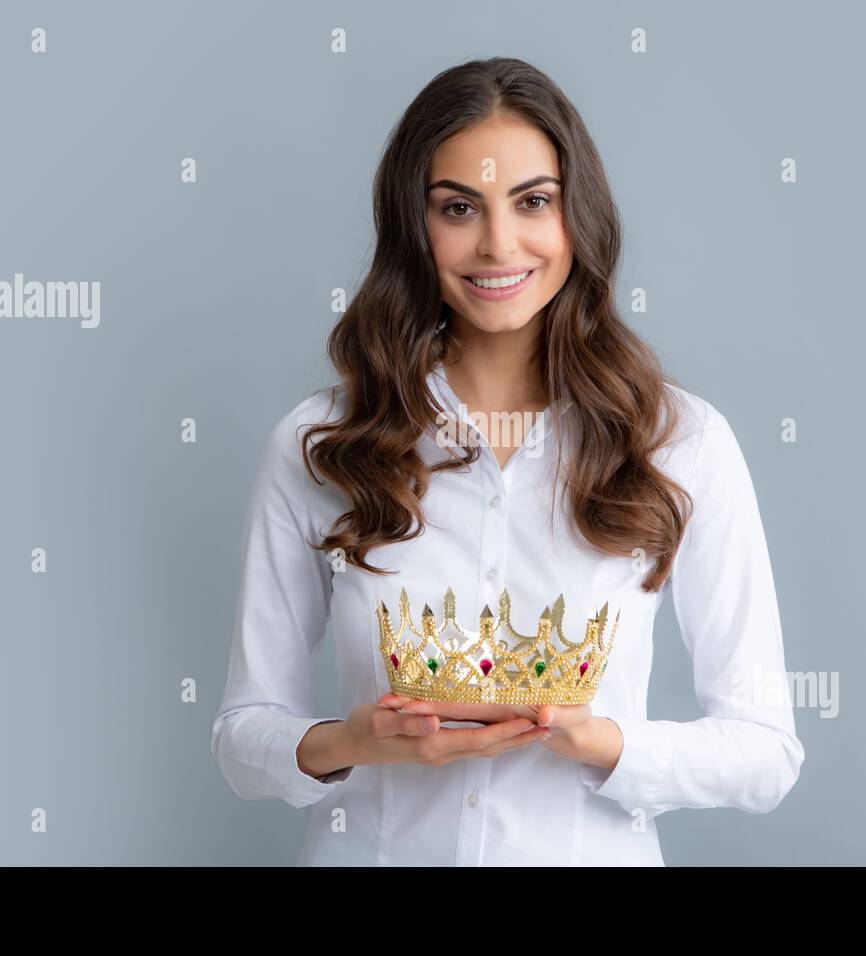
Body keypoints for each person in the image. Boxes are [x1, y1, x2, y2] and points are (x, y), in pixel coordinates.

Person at [210, 56, 804, 866]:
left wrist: (603, 744)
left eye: (533, 202)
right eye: (458, 208)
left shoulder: (679, 442)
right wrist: (353, 741)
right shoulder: (323, 445)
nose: (497, 244)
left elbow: (765, 753)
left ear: (577, 215)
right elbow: (241, 738)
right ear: (414, 226)